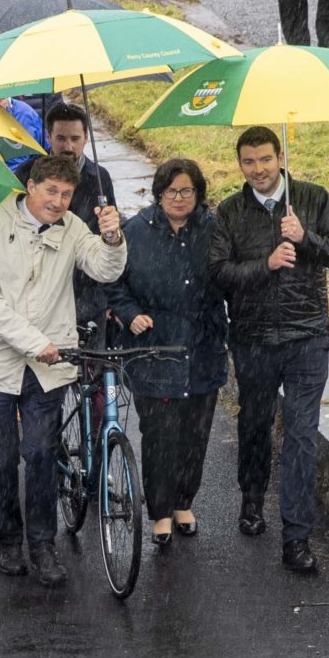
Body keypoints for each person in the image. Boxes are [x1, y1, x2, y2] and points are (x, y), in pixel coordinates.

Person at [0, 153, 126, 587]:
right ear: (30, 187)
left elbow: (104, 269)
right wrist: (37, 343)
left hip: (48, 368)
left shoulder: (73, 228)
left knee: (40, 454)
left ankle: (42, 543)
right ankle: (8, 540)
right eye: (51, 191)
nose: (58, 201)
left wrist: (112, 239)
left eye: (67, 194)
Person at [208, 127, 329, 574]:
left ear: (280, 159)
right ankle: (252, 498)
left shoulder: (312, 199)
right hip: (253, 338)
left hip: (306, 336)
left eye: (265, 160)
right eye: (249, 162)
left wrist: (306, 237)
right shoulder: (230, 212)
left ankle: (296, 535)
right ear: (240, 165)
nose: (258, 170)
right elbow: (218, 273)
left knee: (300, 432)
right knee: (254, 421)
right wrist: (266, 264)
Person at [105, 158, 226, 548]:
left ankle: (183, 502)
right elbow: (113, 283)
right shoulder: (136, 231)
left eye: (187, 190)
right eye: (171, 190)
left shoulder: (214, 228)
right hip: (155, 348)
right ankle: (159, 510)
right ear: (159, 193)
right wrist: (130, 314)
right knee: (160, 432)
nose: (179, 198)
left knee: (196, 431)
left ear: (198, 194)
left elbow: (230, 273)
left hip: (202, 346)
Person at [21, 102, 116, 331]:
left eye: (75, 139)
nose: (68, 146)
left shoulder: (100, 179)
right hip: (37, 297)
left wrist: (112, 300)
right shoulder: (27, 174)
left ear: (86, 137)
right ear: (48, 136)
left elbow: (109, 239)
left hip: (87, 297)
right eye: (61, 138)